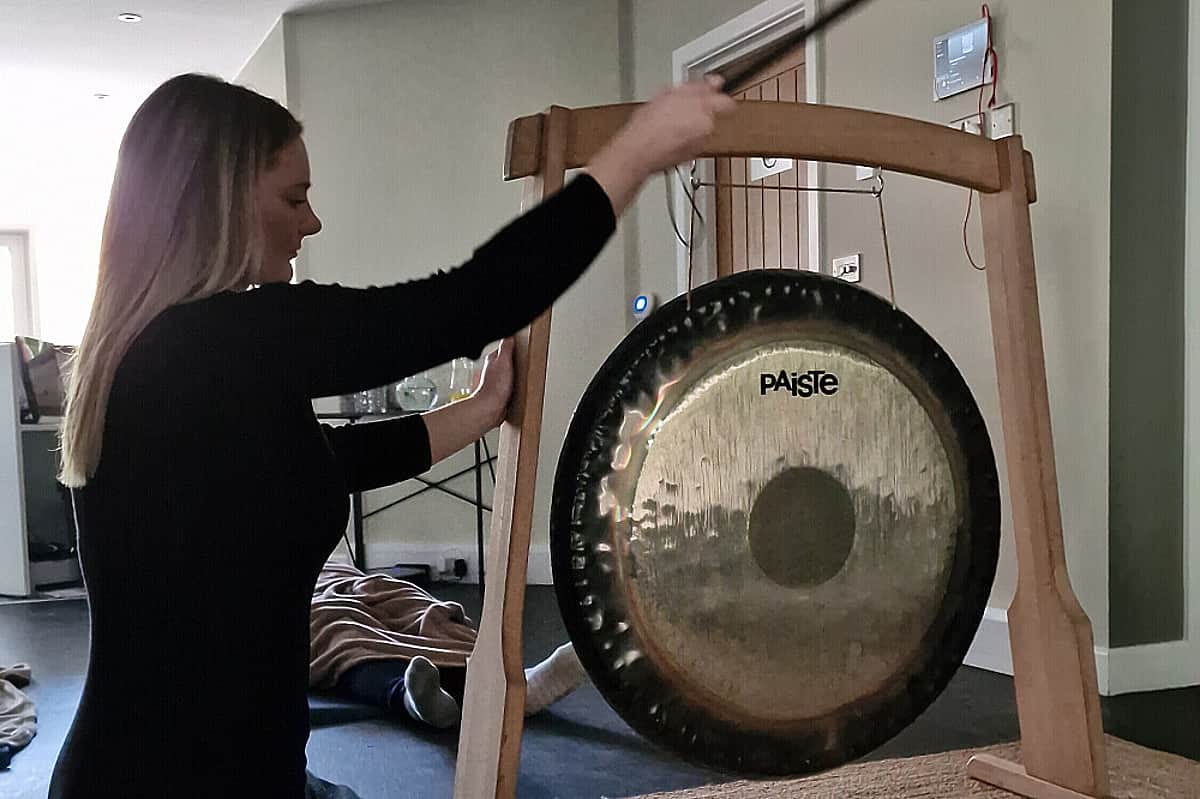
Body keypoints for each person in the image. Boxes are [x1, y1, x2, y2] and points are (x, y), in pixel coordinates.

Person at [47, 70, 735, 798]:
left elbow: (316, 463)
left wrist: (474, 410)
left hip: (194, 771)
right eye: (293, 196)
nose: (310, 222)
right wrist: (638, 150)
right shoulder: (232, 339)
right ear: (217, 198)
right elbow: (470, 299)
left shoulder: (153, 357)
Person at [308, 344, 590, 730]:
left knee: (406, 601)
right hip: (262, 598)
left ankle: (508, 684)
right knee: (334, 626)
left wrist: (484, 406)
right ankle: (406, 692)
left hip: (325, 570)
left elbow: (339, 455)